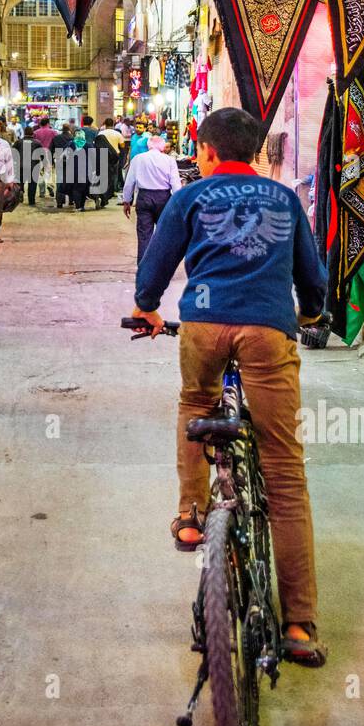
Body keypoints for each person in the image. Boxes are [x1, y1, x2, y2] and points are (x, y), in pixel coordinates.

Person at [129, 107, 328, 667]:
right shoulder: (285, 200)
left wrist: (146, 308)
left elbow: (156, 266)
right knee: (284, 474)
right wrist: (310, 313)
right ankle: (297, 626)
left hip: (204, 325)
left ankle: (192, 516)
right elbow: (311, 278)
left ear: (208, 150)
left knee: (196, 404)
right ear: (257, 154)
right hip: (268, 330)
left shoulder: (190, 198)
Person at [122, 134, 181, 262]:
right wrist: (179, 204)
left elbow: (129, 182)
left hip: (144, 198)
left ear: (148, 146)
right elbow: (176, 184)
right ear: (163, 146)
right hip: (164, 199)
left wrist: (126, 201)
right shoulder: (169, 160)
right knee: (163, 234)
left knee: (144, 234)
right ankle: (161, 266)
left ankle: (144, 266)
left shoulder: (138, 159)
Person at [94, 118, 122, 207]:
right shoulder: (117, 133)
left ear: (105, 124)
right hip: (114, 157)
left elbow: (96, 145)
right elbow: (122, 145)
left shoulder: (101, 133)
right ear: (113, 124)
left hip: (102, 157)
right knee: (113, 176)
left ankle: (103, 195)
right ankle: (110, 192)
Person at [51, 122, 76, 208]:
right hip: (71, 161)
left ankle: (59, 202)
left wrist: (51, 162)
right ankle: (71, 200)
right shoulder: (73, 138)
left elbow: (51, 150)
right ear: (69, 129)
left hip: (59, 160)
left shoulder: (56, 138)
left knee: (60, 181)